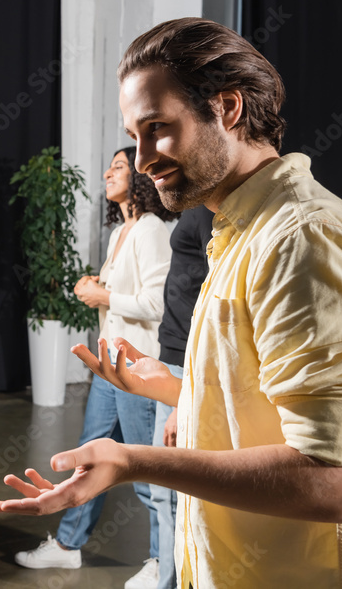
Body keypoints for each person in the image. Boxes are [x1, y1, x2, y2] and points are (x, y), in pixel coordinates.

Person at [0, 17, 342, 588]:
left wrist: (132, 461)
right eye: (134, 135)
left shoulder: (302, 240)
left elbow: (336, 482)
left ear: (226, 109)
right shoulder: (240, 234)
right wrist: (172, 387)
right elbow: (273, 412)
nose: (142, 156)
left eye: (157, 128)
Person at [14, 148, 178, 589]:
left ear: (141, 178)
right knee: (87, 459)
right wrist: (98, 287)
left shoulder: (150, 229)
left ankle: (162, 563)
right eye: (110, 166)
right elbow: (124, 295)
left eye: (120, 166)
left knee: (145, 471)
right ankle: (68, 547)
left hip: (137, 371)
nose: (109, 172)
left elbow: (157, 304)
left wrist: (104, 297)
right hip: (109, 369)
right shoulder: (120, 233)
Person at [148, 204, 212, 589]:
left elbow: (215, 298)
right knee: (164, 493)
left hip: (185, 366)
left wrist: (183, 398)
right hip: (173, 359)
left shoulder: (210, 207)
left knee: (169, 493)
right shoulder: (198, 205)